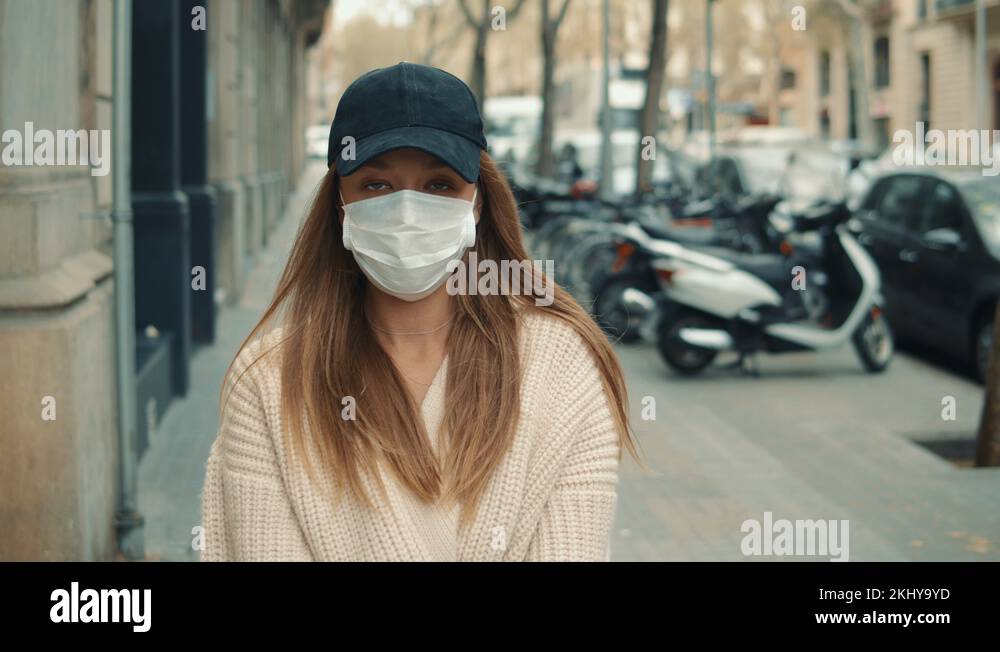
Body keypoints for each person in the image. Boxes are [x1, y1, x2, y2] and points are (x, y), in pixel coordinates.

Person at [200, 62, 642, 561]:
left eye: (438, 185)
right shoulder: (268, 381)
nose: (407, 213)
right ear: (339, 205)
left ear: (477, 204)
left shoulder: (562, 366)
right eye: (377, 185)